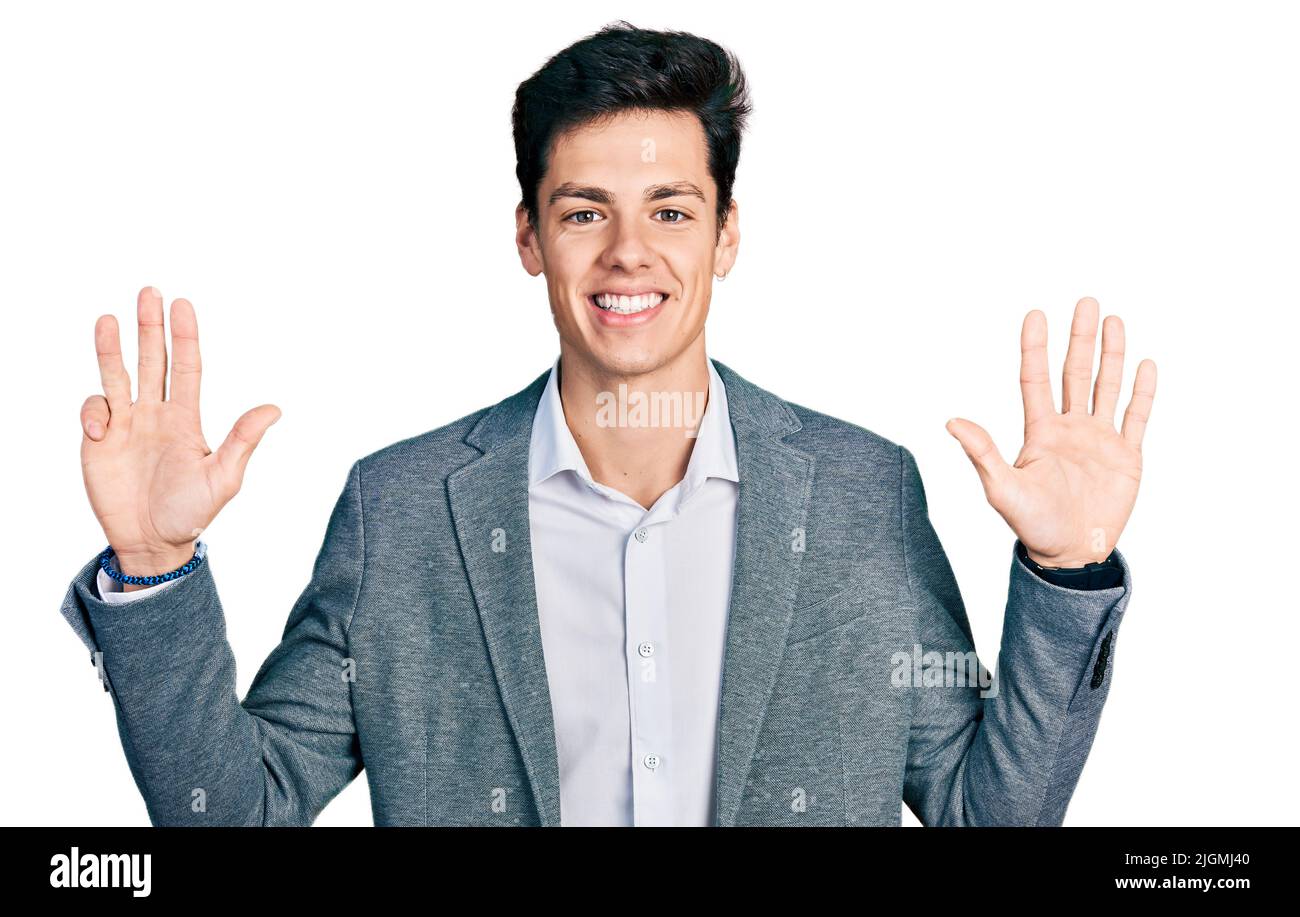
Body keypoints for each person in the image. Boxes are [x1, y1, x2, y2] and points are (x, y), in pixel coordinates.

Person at [60, 21, 1156, 826]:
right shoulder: (399, 510)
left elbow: (988, 816)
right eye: (585, 211)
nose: (629, 251)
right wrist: (155, 566)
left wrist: (1066, 577)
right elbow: (229, 815)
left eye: (671, 211)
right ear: (529, 237)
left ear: (725, 234)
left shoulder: (861, 493)